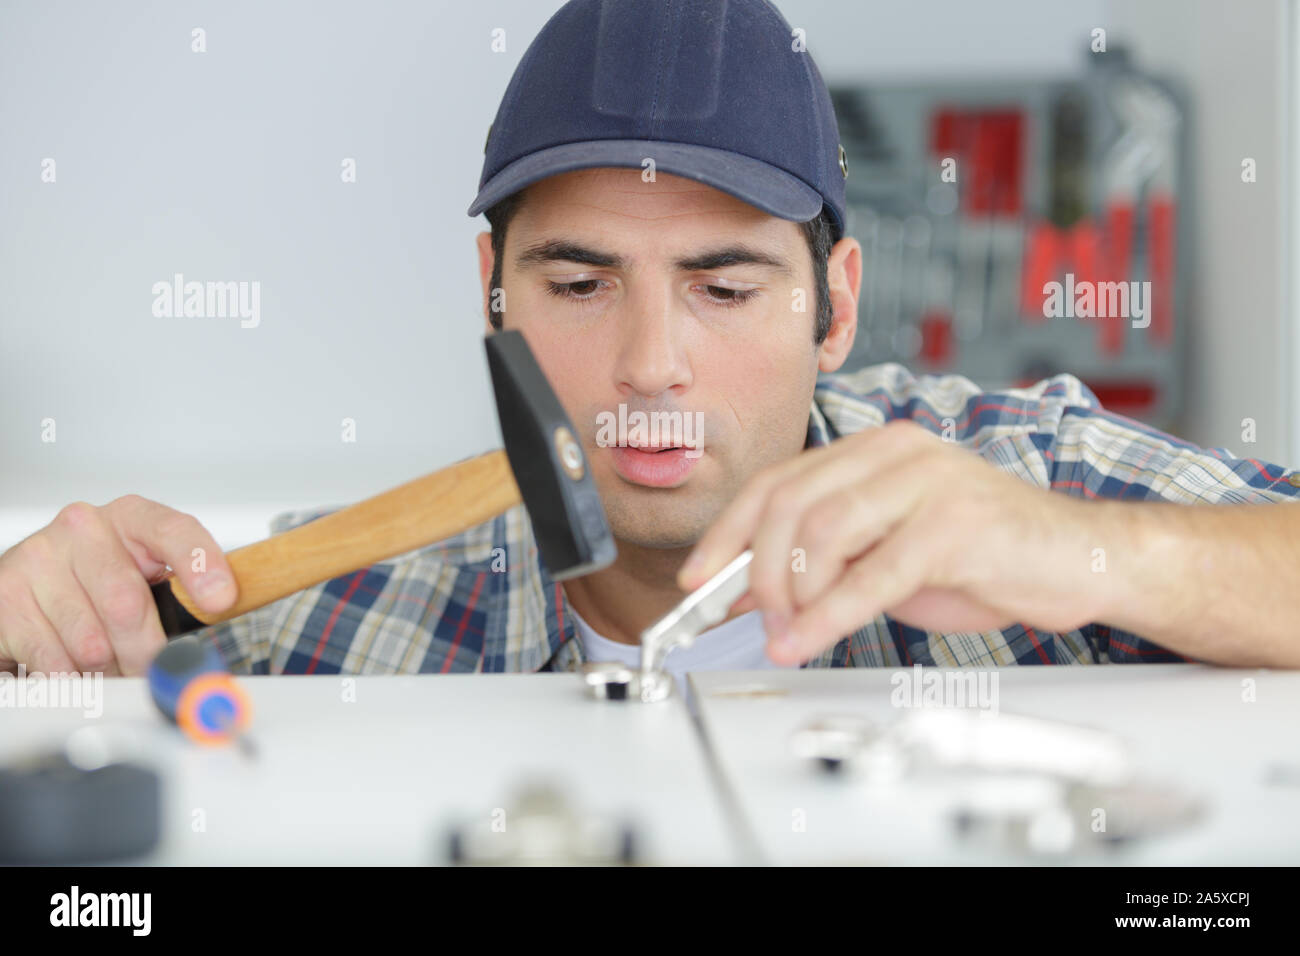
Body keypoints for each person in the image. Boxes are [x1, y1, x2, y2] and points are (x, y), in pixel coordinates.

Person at [3, 0, 1299, 684]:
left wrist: (1094, 554)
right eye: (577, 283)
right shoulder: (332, 625)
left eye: (725, 287)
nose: (650, 366)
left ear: (837, 305)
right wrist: (40, 631)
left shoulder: (1020, 472)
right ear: (491, 294)